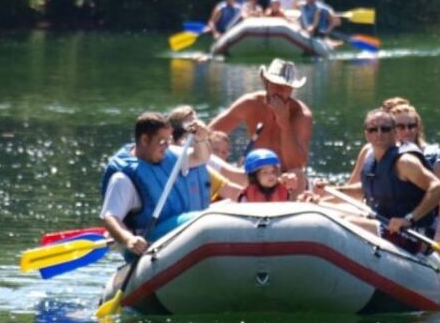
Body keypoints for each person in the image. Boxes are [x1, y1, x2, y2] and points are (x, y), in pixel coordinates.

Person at [316, 108, 440, 254]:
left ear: (394, 132)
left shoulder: (405, 162)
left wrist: (409, 219)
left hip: (411, 233)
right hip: (384, 226)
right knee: (335, 215)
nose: (379, 134)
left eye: (385, 129)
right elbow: (366, 189)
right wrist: (330, 192)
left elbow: (438, 189)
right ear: (366, 134)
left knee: (345, 222)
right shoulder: (371, 158)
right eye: (373, 129)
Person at [100, 111, 211, 261]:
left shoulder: (169, 155)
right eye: (162, 142)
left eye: (168, 140)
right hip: (146, 245)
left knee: (200, 220)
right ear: (145, 140)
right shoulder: (122, 179)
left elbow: (200, 157)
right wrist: (128, 239)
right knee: (199, 221)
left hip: (174, 235)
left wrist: (200, 139)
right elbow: (110, 217)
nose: (166, 147)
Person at [209, 58, 312, 193]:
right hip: (252, 175)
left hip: (287, 179)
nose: (280, 91)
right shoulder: (250, 104)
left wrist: (285, 124)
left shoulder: (301, 115)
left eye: (285, 87)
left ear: (292, 89)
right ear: (266, 83)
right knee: (208, 160)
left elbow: (296, 164)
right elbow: (208, 134)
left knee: (297, 174)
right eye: (275, 84)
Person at [390, 103, 440, 240]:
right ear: (393, 129)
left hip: (424, 224)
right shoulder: (384, 155)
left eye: (411, 126)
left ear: (417, 127)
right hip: (391, 221)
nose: (407, 131)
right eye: (401, 127)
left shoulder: (431, 157)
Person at [168, 105, 244, 201]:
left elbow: (236, 188)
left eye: (198, 127)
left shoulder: (203, 159)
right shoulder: (174, 156)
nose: (197, 129)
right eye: (191, 127)